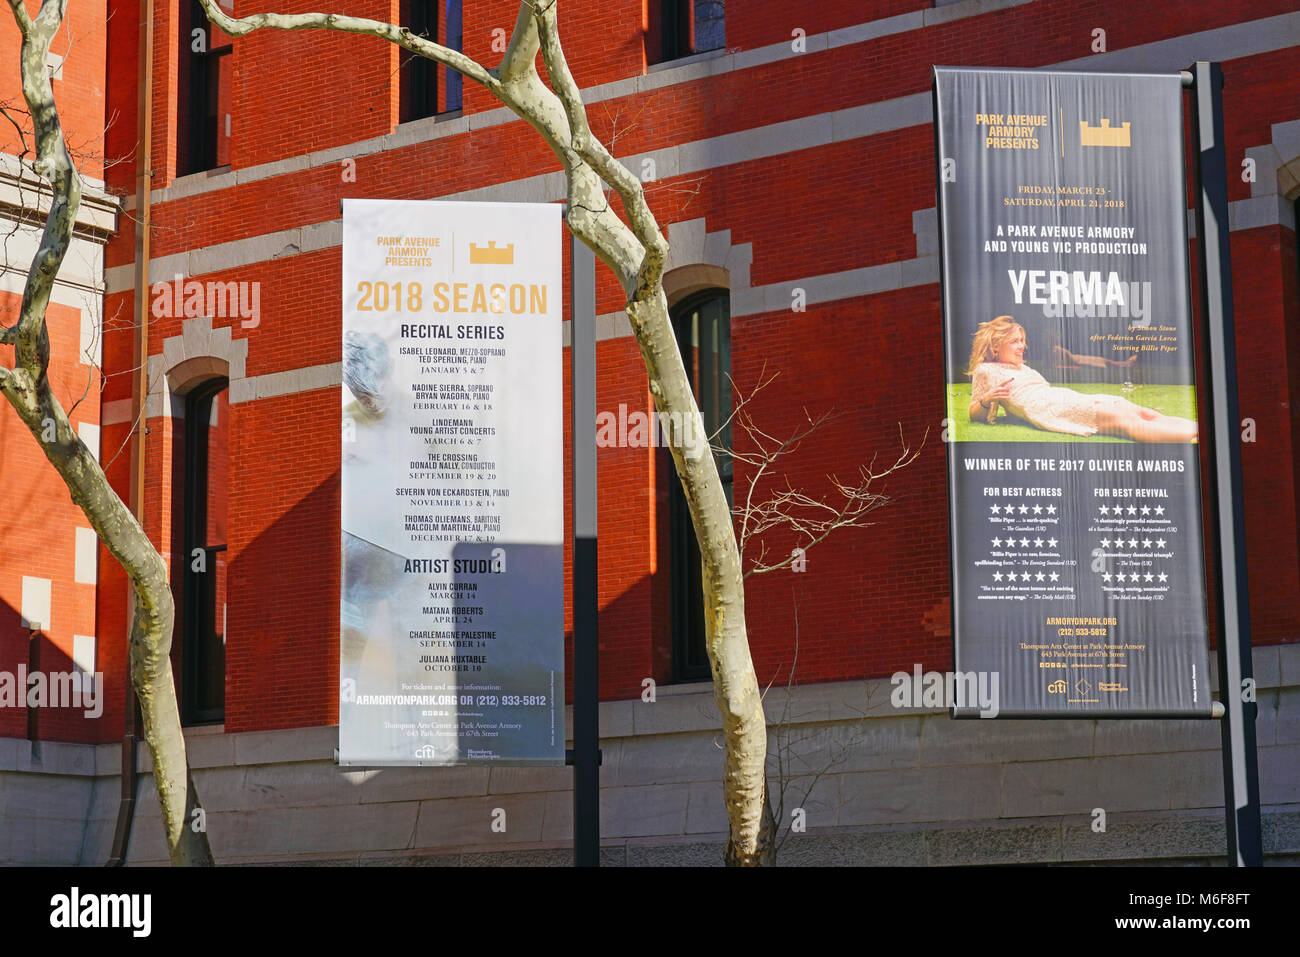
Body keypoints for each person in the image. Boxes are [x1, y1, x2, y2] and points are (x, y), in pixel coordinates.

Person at [966, 316, 1197, 443]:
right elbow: (975, 414)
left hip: (1062, 398)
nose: (1022, 346)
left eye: (1022, 340)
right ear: (996, 346)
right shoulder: (986, 370)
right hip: (1052, 408)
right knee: (1128, 423)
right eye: (1015, 341)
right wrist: (986, 400)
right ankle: (1199, 437)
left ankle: (1199, 431)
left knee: (1142, 412)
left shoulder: (1023, 368)